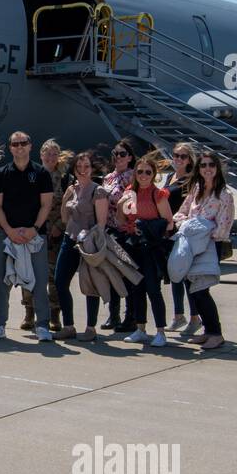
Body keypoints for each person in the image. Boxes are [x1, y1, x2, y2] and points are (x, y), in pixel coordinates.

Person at [0, 131, 53, 341]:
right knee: (2, 282)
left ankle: (42, 325)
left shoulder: (41, 173)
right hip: (9, 236)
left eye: (23, 143)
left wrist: (34, 229)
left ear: (30, 145)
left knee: (40, 281)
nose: (19, 147)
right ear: (10, 148)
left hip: (35, 236)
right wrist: (8, 230)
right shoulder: (1, 174)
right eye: (15, 144)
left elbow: (46, 204)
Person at [172, 150, 235, 350]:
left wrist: (203, 230)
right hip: (191, 244)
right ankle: (208, 331)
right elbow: (180, 212)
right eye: (203, 165)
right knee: (194, 289)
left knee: (202, 290)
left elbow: (223, 226)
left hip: (208, 245)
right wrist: (190, 224)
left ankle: (216, 333)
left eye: (211, 165)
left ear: (217, 168)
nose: (207, 169)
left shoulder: (224, 195)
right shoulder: (196, 189)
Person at [53, 150, 110, 342]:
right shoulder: (72, 189)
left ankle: (90, 327)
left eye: (86, 167)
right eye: (78, 167)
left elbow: (101, 223)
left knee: (89, 284)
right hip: (70, 239)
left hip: (89, 243)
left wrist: (91, 241)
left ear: (93, 168)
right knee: (60, 281)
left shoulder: (98, 191)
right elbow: (63, 218)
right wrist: (65, 201)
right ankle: (68, 325)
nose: (82, 170)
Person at [121, 151, 174, 347]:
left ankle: (160, 331)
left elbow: (169, 223)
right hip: (135, 245)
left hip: (152, 248)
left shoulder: (157, 194)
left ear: (154, 174)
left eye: (148, 172)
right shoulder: (129, 191)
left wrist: (147, 227)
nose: (143, 175)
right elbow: (125, 219)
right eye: (140, 171)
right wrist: (131, 226)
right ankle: (141, 328)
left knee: (153, 289)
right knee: (137, 288)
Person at [101, 138, 139, 332]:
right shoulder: (108, 177)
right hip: (108, 230)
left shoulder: (133, 177)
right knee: (111, 274)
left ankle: (130, 317)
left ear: (130, 158)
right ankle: (113, 315)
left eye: (122, 154)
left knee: (126, 274)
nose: (118, 157)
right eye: (115, 154)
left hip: (124, 231)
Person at [164, 141, 201, 336]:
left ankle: (195, 318)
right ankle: (179, 315)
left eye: (183, 156)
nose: (178, 159)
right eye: (176, 155)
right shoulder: (170, 177)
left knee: (187, 277)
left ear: (189, 160)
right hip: (168, 233)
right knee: (174, 275)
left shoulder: (191, 181)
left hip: (183, 233)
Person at [36, 139, 66, 331]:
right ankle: (30, 313)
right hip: (36, 231)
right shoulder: (34, 175)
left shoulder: (64, 177)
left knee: (53, 276)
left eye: (55, 153)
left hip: (55, 232)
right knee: (31, 274)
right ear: (41, 155)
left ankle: (55, 314)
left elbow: (69, 204)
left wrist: (59, 225)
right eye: (47, 153)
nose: (51, 157)